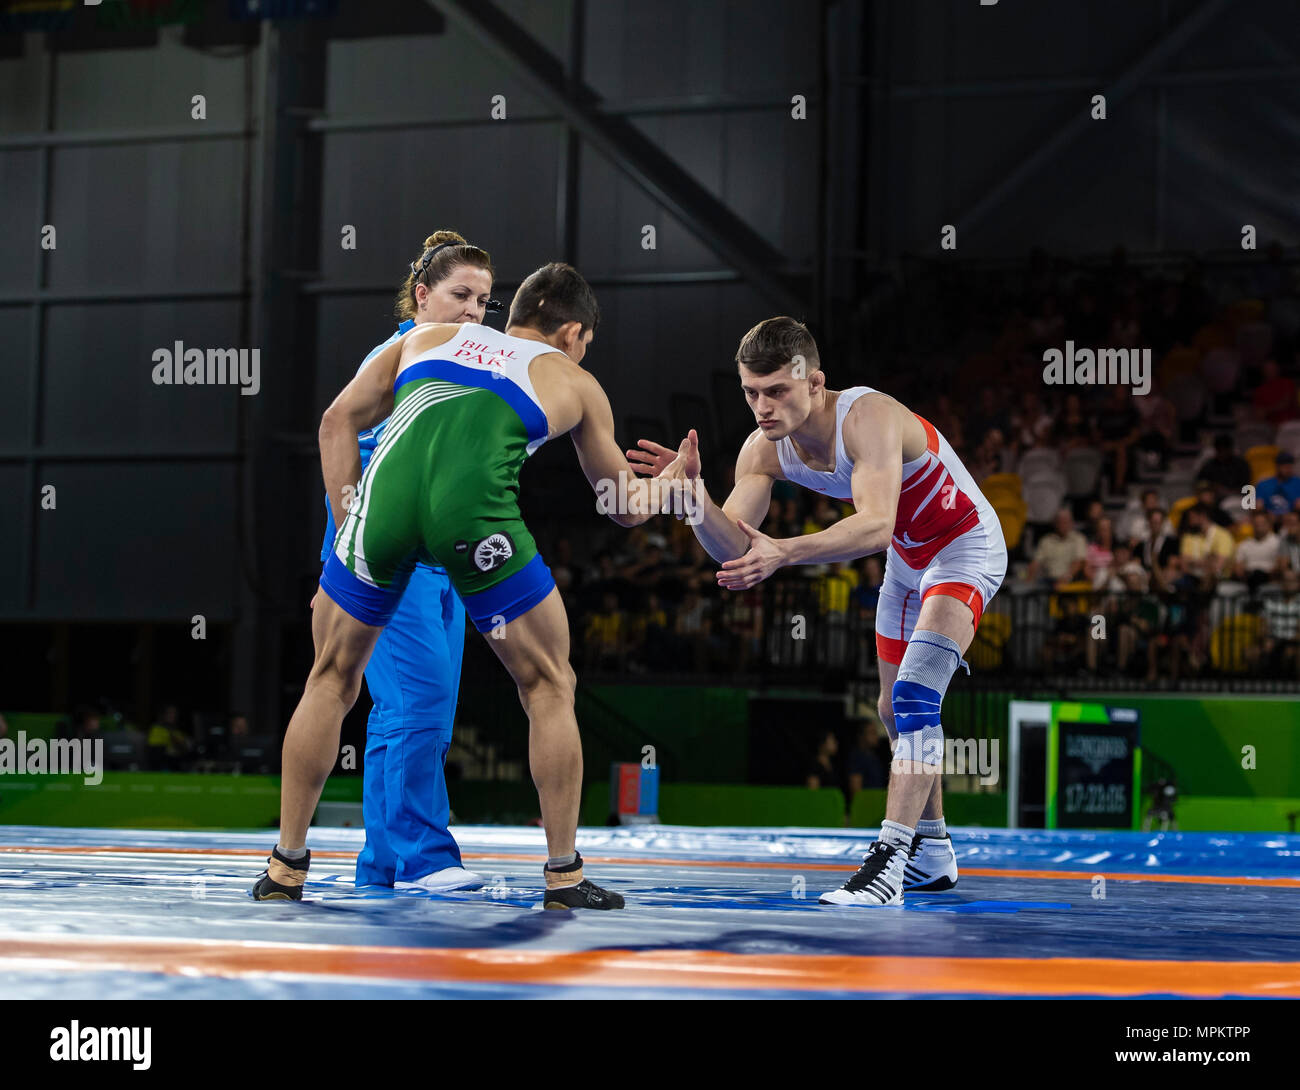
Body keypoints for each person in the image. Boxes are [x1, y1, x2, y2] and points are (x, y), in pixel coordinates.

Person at [251, 262, 685, 909]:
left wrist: (349, 533)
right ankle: (563, 877)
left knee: (330, 680)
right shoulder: (575, 379)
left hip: (381, 512)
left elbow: (334, 421)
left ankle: (285, 868)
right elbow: (621, 504)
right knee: (548, 684)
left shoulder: (422, 337)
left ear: (510, 316)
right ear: (572, 333)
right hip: (472, 520)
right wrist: (673, 484)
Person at [632, 316, 1007, 905]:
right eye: (752, 393)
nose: (763, 406)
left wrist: (786, 552)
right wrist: (696, 501)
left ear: (815, 382)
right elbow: (736, 546)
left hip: (963, 544)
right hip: (911, 562)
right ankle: (932, 851)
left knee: (914, 697)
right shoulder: (763, 449)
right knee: (891, 707)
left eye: (777, 390)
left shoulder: (869, 417)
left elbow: (878, 524)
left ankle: (887, 864)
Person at [317, 230, 496, 893]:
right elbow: (342, 439)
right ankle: (426, 858)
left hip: (441, 566)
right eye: (460, 296)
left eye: (483, 300)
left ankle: (385, 863)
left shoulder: (461, 371)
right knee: (415, 703)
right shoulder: (397, 357)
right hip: (384, 563)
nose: (474, 312)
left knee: (414, 716)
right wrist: (345, 555)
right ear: (422, 296)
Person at [1256, 451, 1300, 518]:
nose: (1288, 470)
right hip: (1269, 517)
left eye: (1290, 466)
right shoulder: (1264, 484)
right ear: (1277, 466)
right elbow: (1258, 506)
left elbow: (1298, 505)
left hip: (1292, 517)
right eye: (1285, 467)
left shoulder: (1297, 483)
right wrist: (1266, 512)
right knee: (1259, 519)